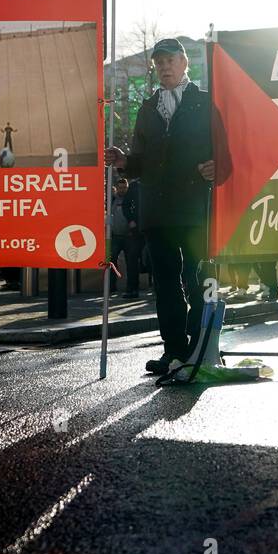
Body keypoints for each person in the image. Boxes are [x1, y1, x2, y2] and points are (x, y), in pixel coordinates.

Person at [105, 38, 218, 375]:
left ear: (184, 63)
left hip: (196, 206)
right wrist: (124, 161)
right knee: (166, 283)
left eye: (170, 60)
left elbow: (223, 147)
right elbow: (140, 161)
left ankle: (199, 346)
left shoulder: (205, 102)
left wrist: (216, 164)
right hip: (157, 209)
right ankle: (174, 350)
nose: (165, 67)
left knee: (198, 276)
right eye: (159, 63)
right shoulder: (148, 108)